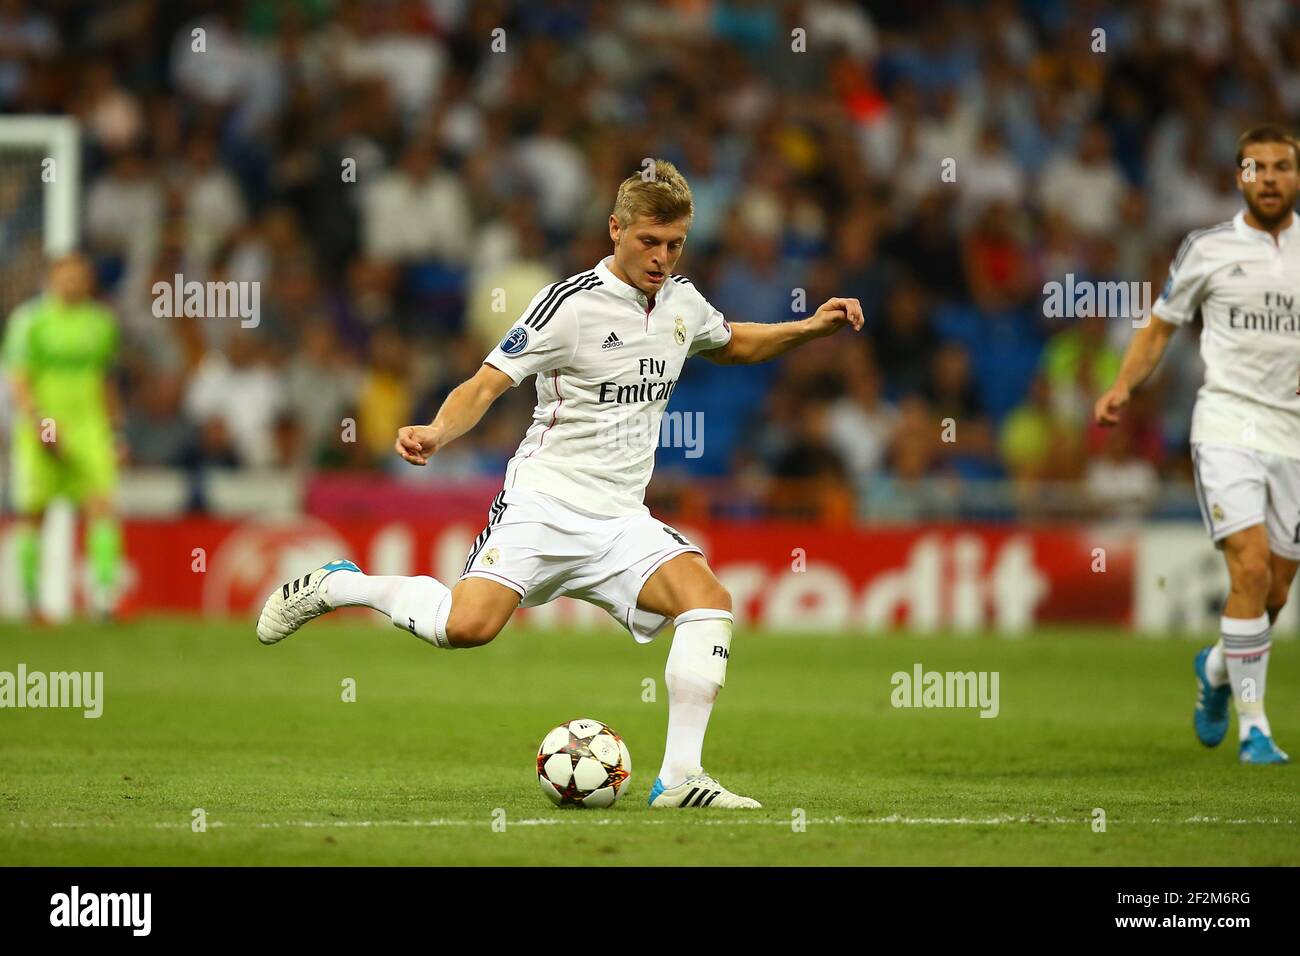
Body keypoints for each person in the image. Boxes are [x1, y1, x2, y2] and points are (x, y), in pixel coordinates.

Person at [255, 160, 864, 806]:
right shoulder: (568, 306)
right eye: (648, 241)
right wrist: (436, 430)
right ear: (615, 229)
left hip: (621, 518)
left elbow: (730, 342)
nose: (661, 257)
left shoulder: (682, 301)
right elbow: (488, 381)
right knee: (466, 628)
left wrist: (806, 329)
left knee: (708, 601)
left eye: (674, 244)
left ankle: (681, 778)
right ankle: (341, 584)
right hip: (543, 504)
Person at [1094, 125, 1300, 765]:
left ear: (1297, 176)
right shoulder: (1207, 249)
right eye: (1256, 167)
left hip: (1293, 433)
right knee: (1250, 566)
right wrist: (1123, 386)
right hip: (1226, 423)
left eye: (1282, 167)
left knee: (1274, 593)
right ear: (1239, 176)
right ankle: (1255, 729)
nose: (1269, 178)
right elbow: (1159, 330)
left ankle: (1214, 669)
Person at [3, 252, 123, 618]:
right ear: (52, 279)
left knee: (102, 508)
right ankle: (32, 602)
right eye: (67, 276)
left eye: (80, 276)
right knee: (34, 513)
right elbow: (20, 379)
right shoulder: (30, 321)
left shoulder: (101, 322)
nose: (74, 283)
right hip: (44, 425)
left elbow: (105, 379)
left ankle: (104, 601)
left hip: (90, 428)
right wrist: (41, 425)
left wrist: (116, 432)